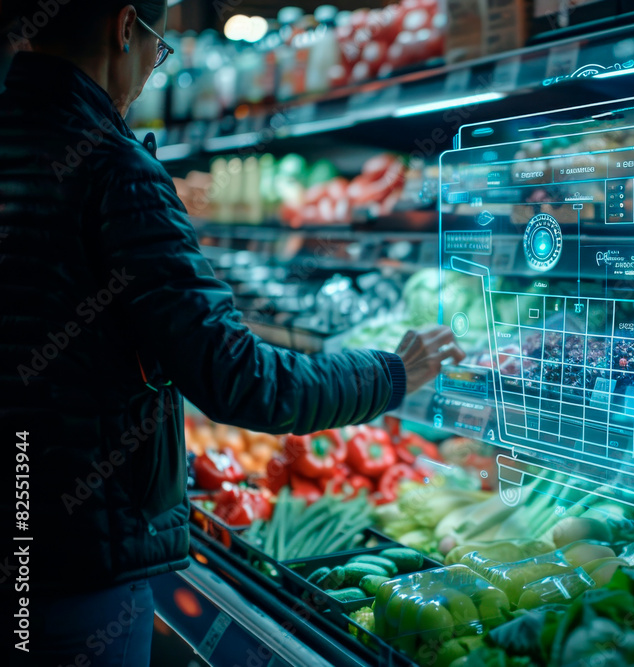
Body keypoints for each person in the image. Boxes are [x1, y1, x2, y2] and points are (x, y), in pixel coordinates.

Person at [0, 2, 464, 665]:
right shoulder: (112, 168)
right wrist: (392, 372)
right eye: (157, 52)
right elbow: (236, 377)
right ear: (123, 26)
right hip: (77, 568)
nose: (148, 76)